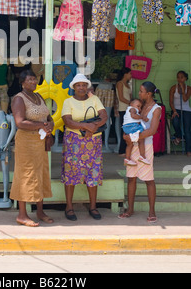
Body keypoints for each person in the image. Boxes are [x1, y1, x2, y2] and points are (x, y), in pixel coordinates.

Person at [9, 70, 54, 227]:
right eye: (30, 80)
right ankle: (22, 214)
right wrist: (42, 125)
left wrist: (50, 125)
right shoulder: (19, 99)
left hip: (40, 141)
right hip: (26, 142)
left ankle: (40, 212)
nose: (34, 82)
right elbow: (20, 122)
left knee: (40, 173)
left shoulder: (38, 96)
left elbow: (48, 117)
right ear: (22, 82)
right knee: (26, 175)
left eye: (35, 80)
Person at [61, 73, 108, 221]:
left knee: (93, 172)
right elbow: (67, 121)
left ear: (87, 87)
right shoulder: (68, 102)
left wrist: (92, 127)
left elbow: (104, 116)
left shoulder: (94, 99)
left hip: (93, 142)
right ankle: (69, 207)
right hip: (73, 141)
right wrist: (86, 126)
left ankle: (93, 207)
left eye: (83, 85)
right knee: (71, 173)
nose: (81, 87)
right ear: (74, 87)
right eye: (78, 85)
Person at [118, 82, 161, 223]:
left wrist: (132, 137)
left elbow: (152, 131)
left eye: (142, 91)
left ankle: (152, 211)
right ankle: (130, 209)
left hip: (145, 146)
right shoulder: (138, 106)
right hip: (133, 145)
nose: (139, 93)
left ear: (149, 94)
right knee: (131, 178)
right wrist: (128, 136)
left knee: (149, 180)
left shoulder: (156, 109)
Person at [169, 70, 191, 155]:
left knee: (187, 130)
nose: (179, 79)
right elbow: (171, 102)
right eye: (178, 77)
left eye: (182, 77)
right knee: (175, 121)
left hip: (186, 110)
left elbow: (185, 99)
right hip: (176, 109)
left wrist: (182, 88)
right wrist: (174, 111)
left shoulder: (189, 88)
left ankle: (188, 150)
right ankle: (178, 135)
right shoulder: (173, 88)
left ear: (185, 78)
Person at [122, 98, 150, 166]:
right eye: (138, 106)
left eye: (140, 107)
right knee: (141, 140)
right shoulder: (132, 109)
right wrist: (142, 117)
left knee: (129, 144)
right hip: (132, 127)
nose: (139, 108)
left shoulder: (130, 109)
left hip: (127, 128)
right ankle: (142, 156)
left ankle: (127, 159)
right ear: (131, 104)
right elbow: (133, 116)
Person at [116, 67, 132, 155]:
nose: (131, 76)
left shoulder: (128, 84)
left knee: (129, 128)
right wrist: (130, 103)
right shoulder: (120, 83)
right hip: (123, 108)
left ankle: (127, 148)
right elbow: (121, 98)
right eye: (130, 73)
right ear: (125, 74)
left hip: (129, 109)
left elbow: (130, 96)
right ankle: (122, 150)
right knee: (125, 129)